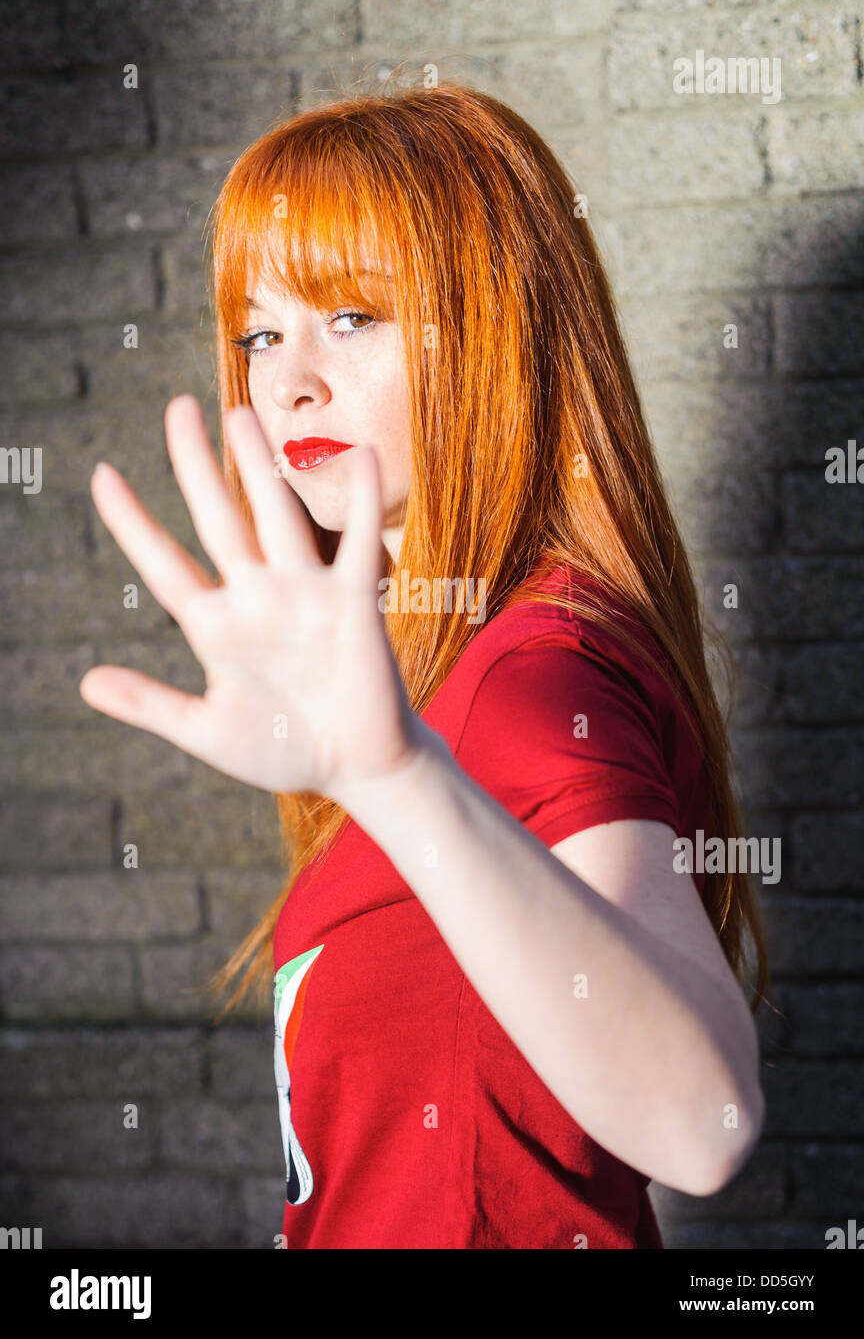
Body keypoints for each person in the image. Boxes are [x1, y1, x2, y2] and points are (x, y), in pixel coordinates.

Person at [79, 80, 769, 1250]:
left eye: (351, 318)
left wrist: (397, 777)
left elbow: (703, 1125)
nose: (289, 377)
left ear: (495, 327)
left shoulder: (533, 673)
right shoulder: (450, 666)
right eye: (260, 332)